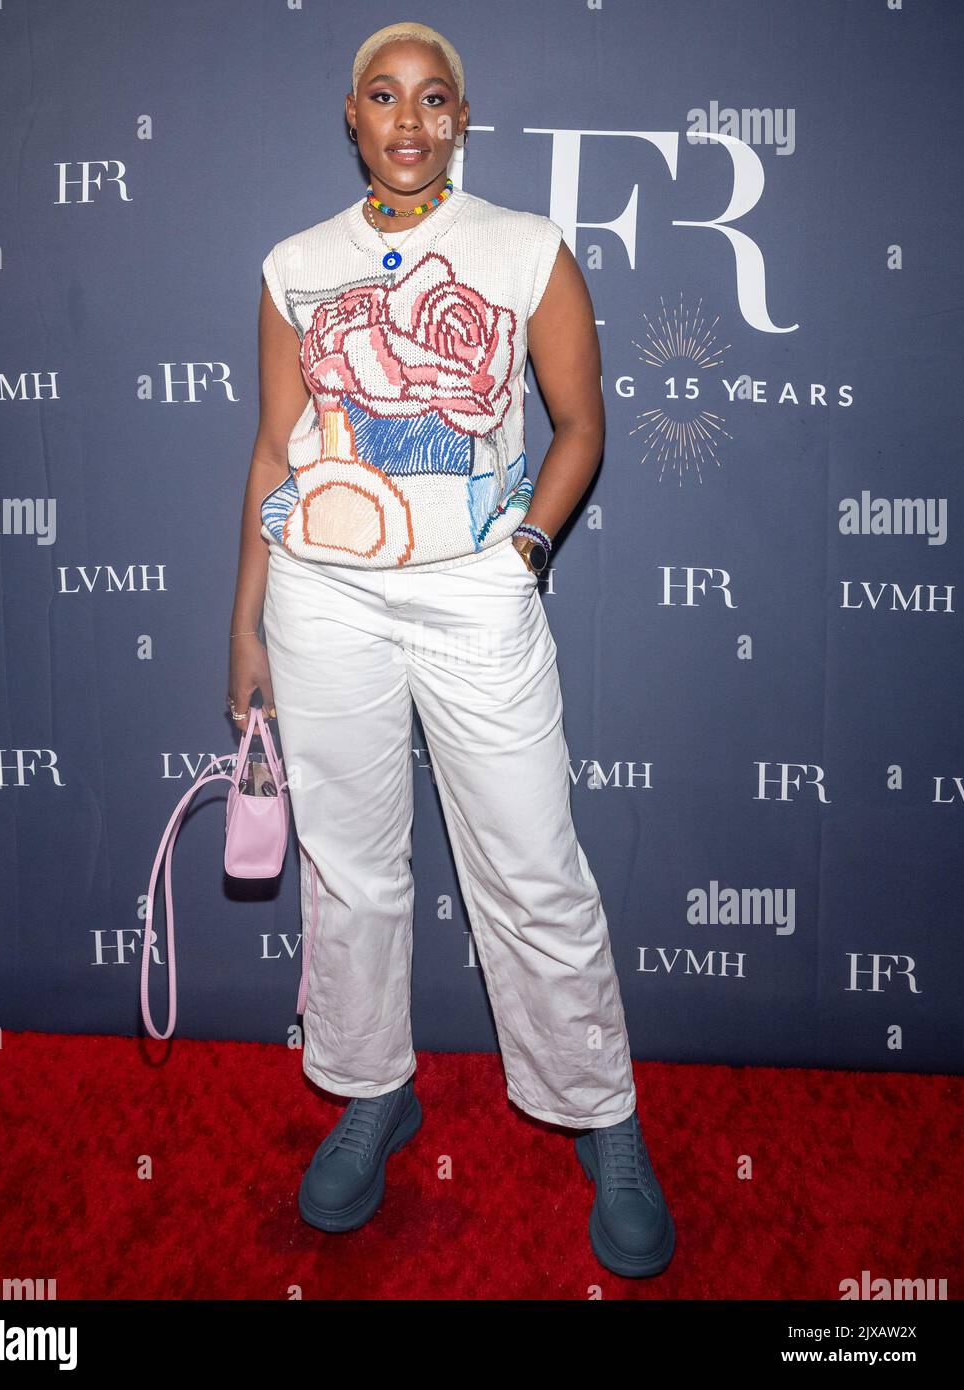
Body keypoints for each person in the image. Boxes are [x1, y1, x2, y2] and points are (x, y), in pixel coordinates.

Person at [227, 20, 675, 1279]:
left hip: (475, 592)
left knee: (533, 865)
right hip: (322, 597)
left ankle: (602, 1111)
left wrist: (522, 552)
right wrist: (245, 618)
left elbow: (580, 425)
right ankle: (373, 1088)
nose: (408, 119)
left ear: (462, 118)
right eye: (383, 96)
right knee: (352, 868)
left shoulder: (524, 248)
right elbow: (276, 450)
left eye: (433, 98)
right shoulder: (294, 264)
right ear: (353, 118)